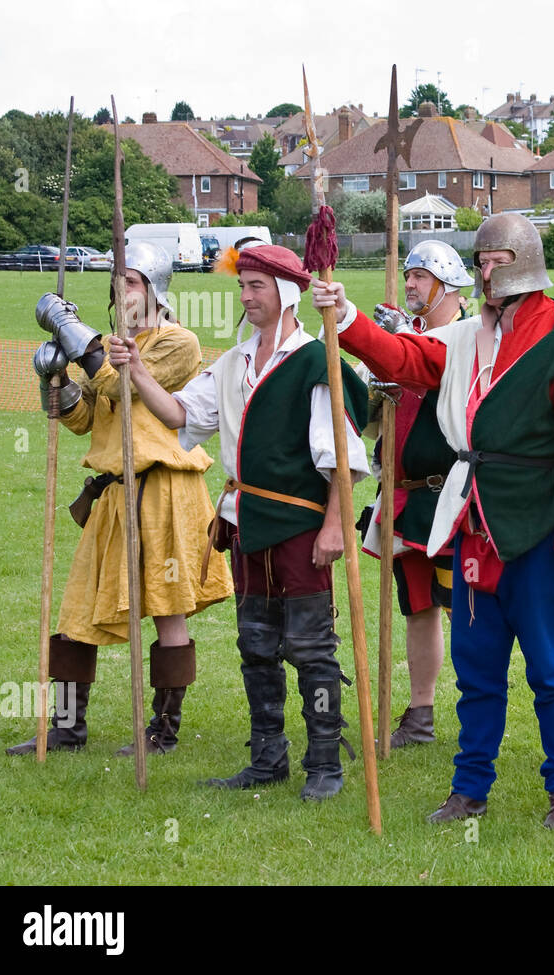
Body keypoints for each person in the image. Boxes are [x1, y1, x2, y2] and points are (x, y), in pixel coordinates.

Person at [313, 212, 554, 828]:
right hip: (472, 524)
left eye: (491, 260)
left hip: (541, 528)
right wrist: (348, 317)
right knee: (477, 669)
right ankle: (470, 789)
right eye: (480, 260)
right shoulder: (466, 337)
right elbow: (405, 357)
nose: (481, 271)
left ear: (518, 264)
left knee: (551, 669)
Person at [110, 242, 369, 802]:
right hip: (246, 524)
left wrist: (334, 528)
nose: (247, 296)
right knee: (256, 644)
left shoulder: (316, 363)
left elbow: (343, 460)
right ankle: (267, 757)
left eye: (257, 286)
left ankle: (324, 761)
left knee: (311, 648)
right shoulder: (234, 362)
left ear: (288, 292)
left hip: (302, 527)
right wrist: (134, 372)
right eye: (242, 286)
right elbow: (183, 414)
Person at [10, 242, 233, 758]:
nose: (121, 289)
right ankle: (67, 727)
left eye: (130, 280)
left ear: (154, 288)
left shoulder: (177, 341)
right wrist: (57, 379)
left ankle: (162, 731)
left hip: (163, 492)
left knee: (166, 608)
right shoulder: (111, 343)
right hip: (112, 495)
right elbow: (85, 417)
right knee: (75, 612)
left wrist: (69, 329)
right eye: (117, 280)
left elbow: (120, 385)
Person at [360, 241, 472, 747]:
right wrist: (376, 383)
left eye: (421, 277)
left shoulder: (470, 337)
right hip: (405, 495)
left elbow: (446, 378)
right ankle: (421, 713)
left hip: (452, 497)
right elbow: (367, 425)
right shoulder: (404, 337)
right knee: (418, 606)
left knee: (466, 607)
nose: (410, 285)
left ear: (447, 284)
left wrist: (398, 343)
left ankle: (478, 708)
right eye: (408, 276)